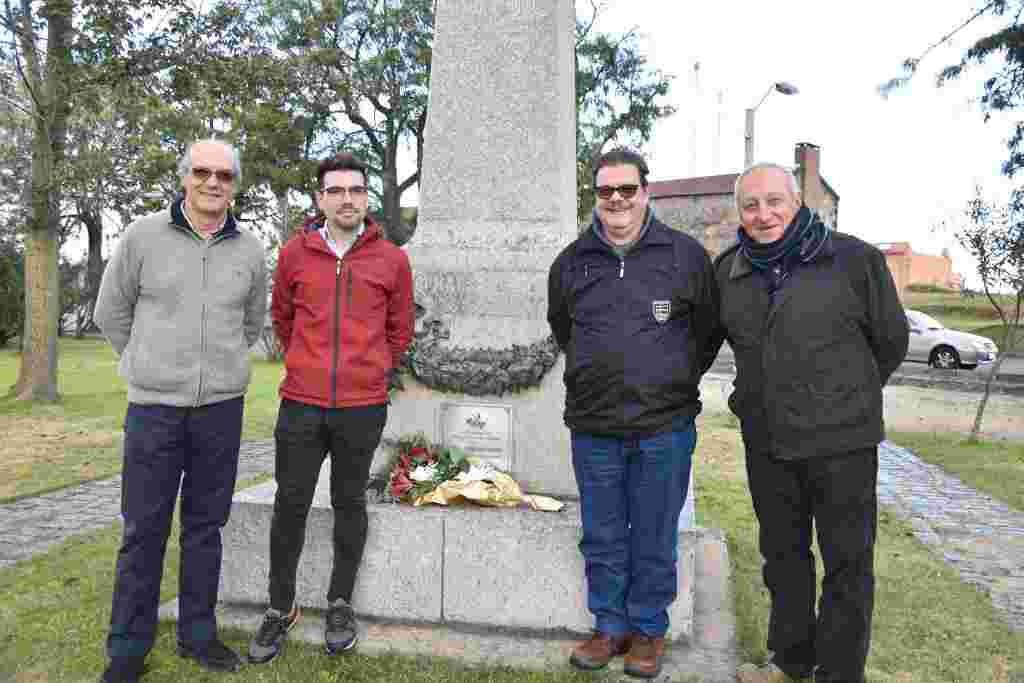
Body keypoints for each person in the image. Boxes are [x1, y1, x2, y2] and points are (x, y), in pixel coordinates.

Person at [704, 163, 908, 683]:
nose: (763, 213)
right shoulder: (729, 273)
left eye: (774, 201)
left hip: (843, 442)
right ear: (740, 213)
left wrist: (845, 394)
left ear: (797, 203)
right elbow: (704, 343)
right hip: (768, 443)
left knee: (848, 566)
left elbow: (890, 342)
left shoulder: (853, 259)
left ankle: (838, 674)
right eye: (751, 205)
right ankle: (790, 664)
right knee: (783, 559)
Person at [94, 139, 267, 682]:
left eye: (224, 175)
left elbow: (251, 323)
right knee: (144, 529)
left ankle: (198, 634)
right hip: (154, 412)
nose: (213, 183)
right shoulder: (142, 237)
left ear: (235, 184)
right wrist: (147, 363)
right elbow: (110, 312)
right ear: (184, 178)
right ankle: (127, 649)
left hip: (220, 410)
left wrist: (219, 368)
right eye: (202, 173)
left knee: (205, 526)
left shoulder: (251, 248)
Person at [547, 148, 719, 679]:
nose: (616, 200)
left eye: (626, 189)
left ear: (646, 191)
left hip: (663, 428)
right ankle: (609, 627)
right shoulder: (572, 263)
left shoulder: (685, 256)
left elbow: (708, 335)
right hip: (594, 427)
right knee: (602, 533)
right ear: (595, 198)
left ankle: (648, 630)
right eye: (605, 191)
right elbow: (563, 330)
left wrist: (666, 379)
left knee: (653, 533)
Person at [247, 152, 414, 664]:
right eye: (336, 191)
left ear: (367, 198)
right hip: (301, 403)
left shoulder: (392, 259)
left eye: (356, 190)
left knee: (349, 503)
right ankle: (280, 605)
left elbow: (400, 329)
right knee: (289, 505)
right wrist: (308, 364)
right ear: (321, 199)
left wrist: (374, 367)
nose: (347, 199)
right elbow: (283, 318)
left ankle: (339, 603)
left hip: (362, 408)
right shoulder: (295, 255)